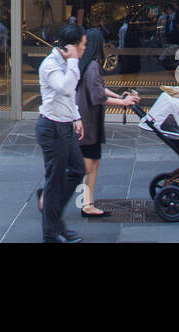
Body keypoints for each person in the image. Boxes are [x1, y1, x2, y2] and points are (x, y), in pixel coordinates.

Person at [75, 27, 139, 218]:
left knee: (92, 162)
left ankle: (88, 203)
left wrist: (119, 95)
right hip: (89, 122)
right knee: (88, 164)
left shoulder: (84, 64)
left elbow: (100, 89)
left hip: (86, 120)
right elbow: (98, 96)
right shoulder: (93, 66)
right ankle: (84, 203)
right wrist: (123, 102)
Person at [36, 22, 87, 242]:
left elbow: (68, 96)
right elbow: (65, 87)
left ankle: (51, 209)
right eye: (82, 46)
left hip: (65, 125)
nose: (85, 49)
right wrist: (74, 60)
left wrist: (76, 116)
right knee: (55, 182)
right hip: (51, 128)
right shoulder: (50, 65)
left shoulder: (66, 61)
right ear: (72, 46)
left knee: (77, 170)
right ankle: (50, 232)